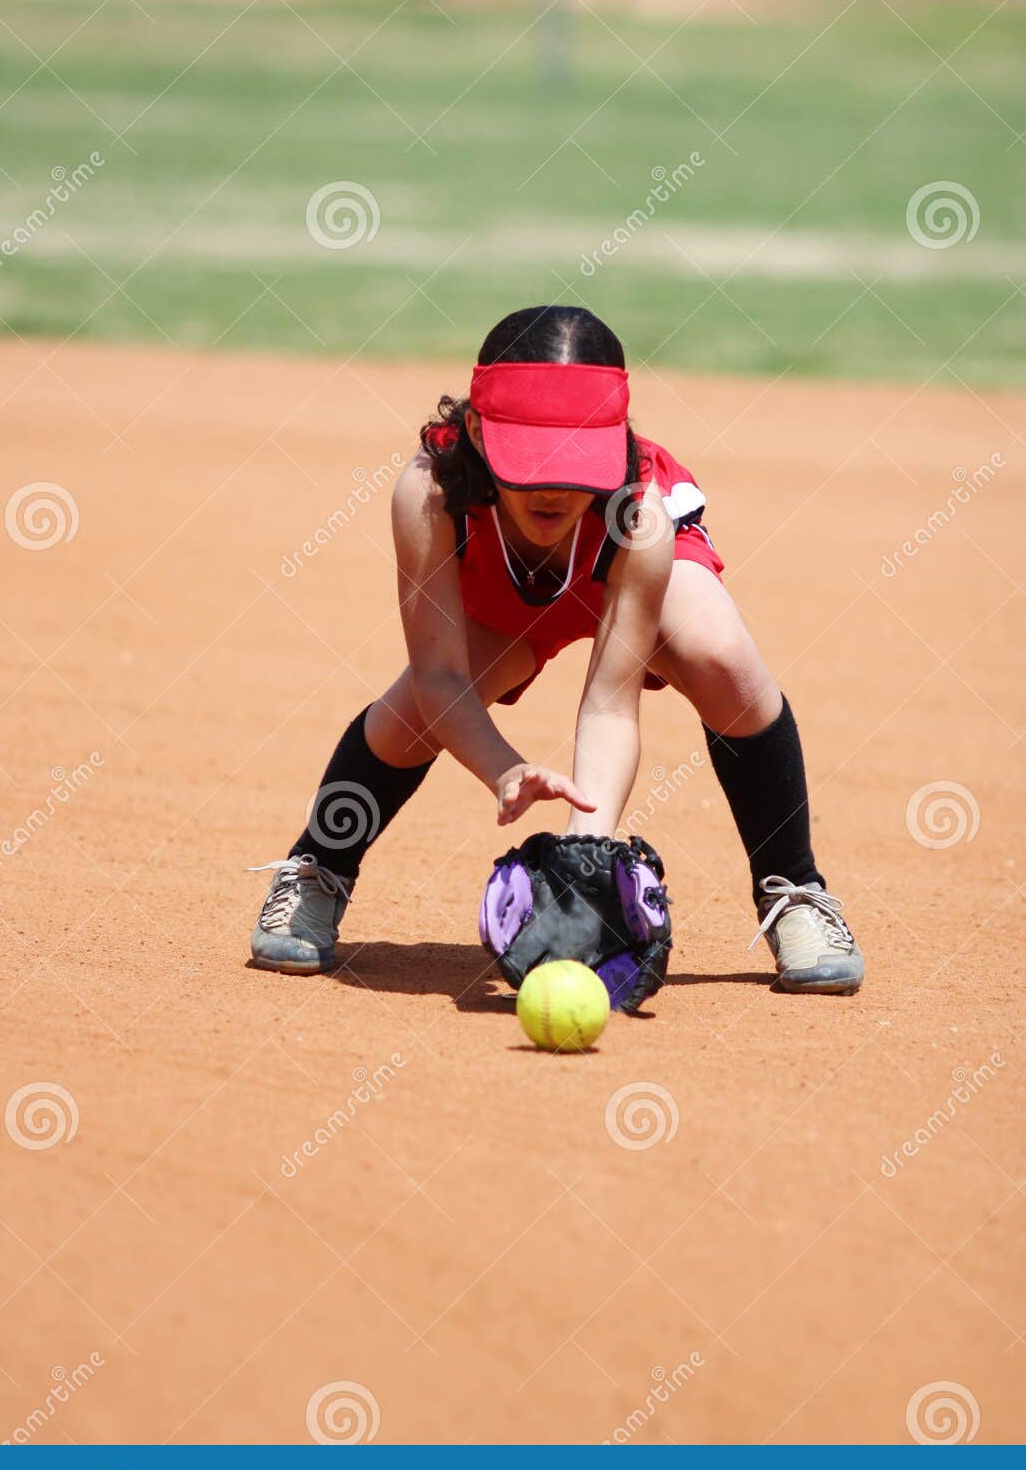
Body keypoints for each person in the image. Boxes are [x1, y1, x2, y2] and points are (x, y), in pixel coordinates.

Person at [249, 305, 863, 998]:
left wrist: (584, 857)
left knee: (722, 660)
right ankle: (318, 869)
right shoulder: (430, 493)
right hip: (503, 601)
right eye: (528, 460)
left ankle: (796, 888)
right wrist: (504, 770)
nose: (551, 487)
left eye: (572, 459)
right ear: (478, 431)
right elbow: (439, 673)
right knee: (406, 718)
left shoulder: (638, 511)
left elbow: (610, 702)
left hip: (616, 569)